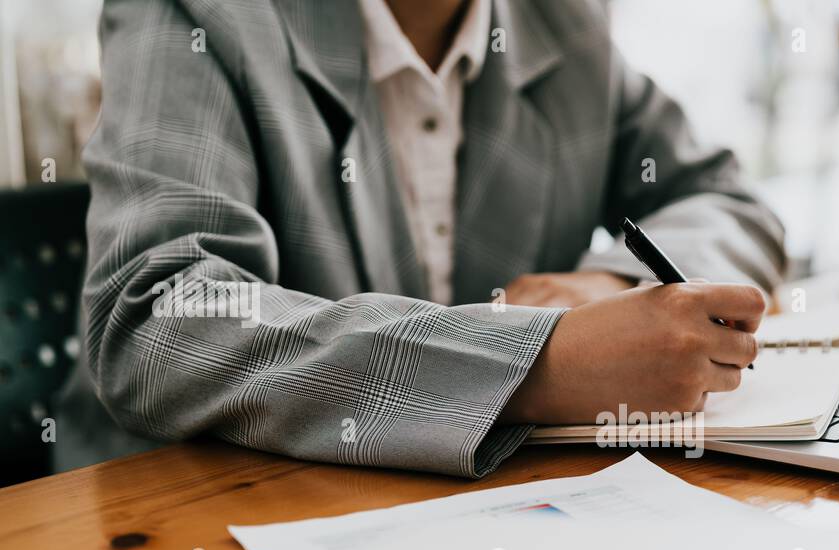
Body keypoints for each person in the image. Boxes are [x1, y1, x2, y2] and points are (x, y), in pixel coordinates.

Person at [56, 0, 785, 477]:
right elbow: (155, 315)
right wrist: (538, 368)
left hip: (460, 515)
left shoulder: (560, 23)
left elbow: (725, 199)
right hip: (183, 522)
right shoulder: (196, 15)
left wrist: (612, 283)